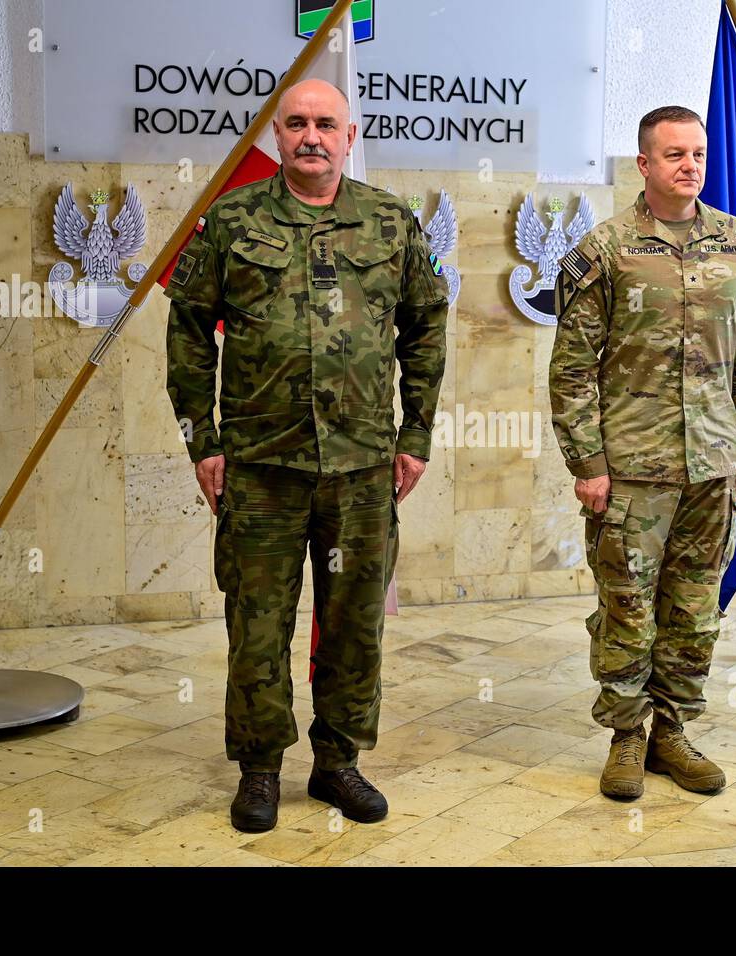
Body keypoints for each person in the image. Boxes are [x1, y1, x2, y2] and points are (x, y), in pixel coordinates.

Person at [164, 78, 448, 832]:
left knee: (354, 623)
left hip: (361, 470)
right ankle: (259, 769)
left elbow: (425, 327)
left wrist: (415, 435)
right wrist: (204, 440)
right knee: (257, 625)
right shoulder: (230, 221)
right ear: (278, 136)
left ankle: (338, 763)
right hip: (259, 468)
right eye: (296, 124)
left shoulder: (389, 222)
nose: (311, 136)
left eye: (327, 123)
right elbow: (188, 332)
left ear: (350, 136)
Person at [548, 105, 736, 800]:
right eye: (673, 154)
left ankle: (672, 732)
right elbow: (571, 368)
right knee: (627, 608)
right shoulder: (606, 249)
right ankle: (625, 737)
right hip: (631, 471)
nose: (690, 165)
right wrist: (588, 464)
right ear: (643, 163)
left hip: (711, 466)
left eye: (698, 153)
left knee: (695, 609)